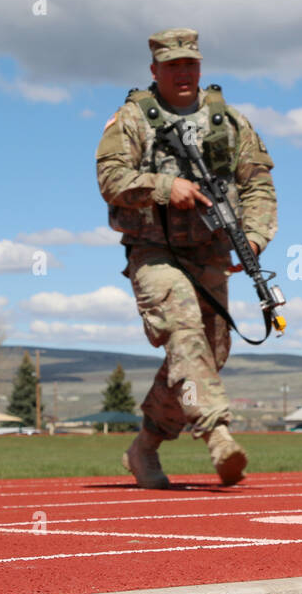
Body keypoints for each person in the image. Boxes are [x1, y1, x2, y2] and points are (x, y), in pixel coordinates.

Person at [96, 28, 277, 489]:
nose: (182, 72)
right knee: (182, 327)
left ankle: (145, 447)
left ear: (200, 67)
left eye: (189, 64)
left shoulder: (229, 123)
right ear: (154, 69)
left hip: (211, 252)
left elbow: (257, 182)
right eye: (172, 65)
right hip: (154, 250)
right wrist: (163, 186)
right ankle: (217, 434)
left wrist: (253, 238)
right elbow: (111, 178)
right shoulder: (134, 118)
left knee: (208, 352)